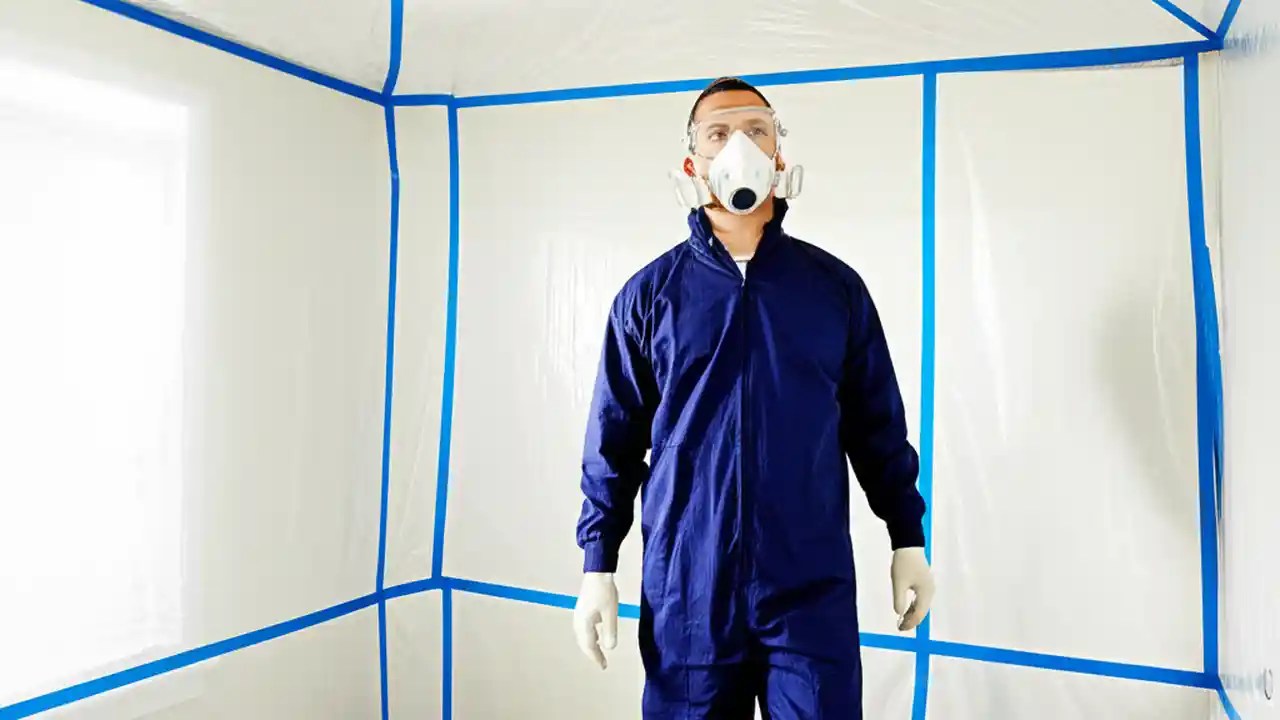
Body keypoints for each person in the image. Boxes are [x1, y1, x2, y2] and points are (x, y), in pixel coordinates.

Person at [573, 76, 935, 719]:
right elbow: (614, 440)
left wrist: (907, 535)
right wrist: (597, 565)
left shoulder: (833, 290)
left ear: (779, 157)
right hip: (689, 588)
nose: (740, 145)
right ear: (693, 162)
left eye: (757, 131)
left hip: (809, 588)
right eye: (719, 133)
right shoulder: (649, 297)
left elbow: (877, 424)